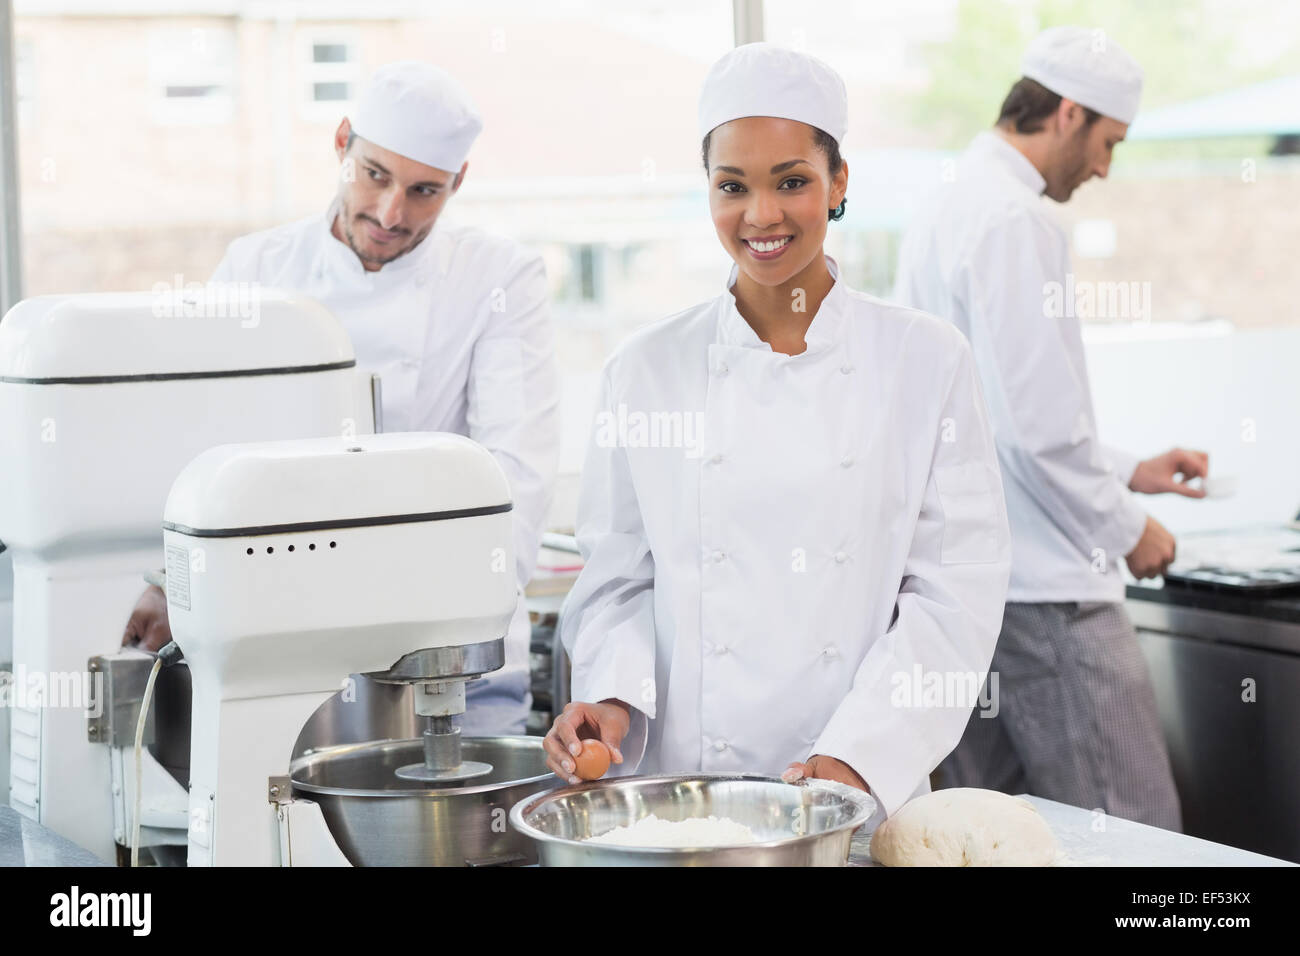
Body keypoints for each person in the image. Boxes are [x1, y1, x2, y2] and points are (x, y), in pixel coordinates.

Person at [543, 43, 1012, 819]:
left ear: (838, 183)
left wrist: (858, 754)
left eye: (791, 181)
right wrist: (612, 699)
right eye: (733, 186)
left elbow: (956, 592)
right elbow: (619, 578)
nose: (760, 215)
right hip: (684, 800)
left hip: (858, 789)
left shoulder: (923, 359)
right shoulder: (646, 368)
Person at [122, 61, 560, 734]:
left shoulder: (500, 278)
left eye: (424, 192)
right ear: (341, 142)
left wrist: (468, 624)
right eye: (375, 176)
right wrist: (164, 581)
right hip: (281, 642)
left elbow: (517, 471)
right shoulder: (256, 270)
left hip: (444, 655)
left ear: (458, 184)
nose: (392, 213)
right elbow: (198, 449)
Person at [893, 26, 1206, 829]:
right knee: (1131, 834)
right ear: (1068, 114)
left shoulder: (945, 204)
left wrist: (1132, 467)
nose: (1105, 166)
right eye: (1109, 142)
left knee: (984, 834)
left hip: (968, 589)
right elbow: (1035, 431)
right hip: (1053, 599)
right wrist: (1127, 524)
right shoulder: (1015, 221)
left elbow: (985, 413)